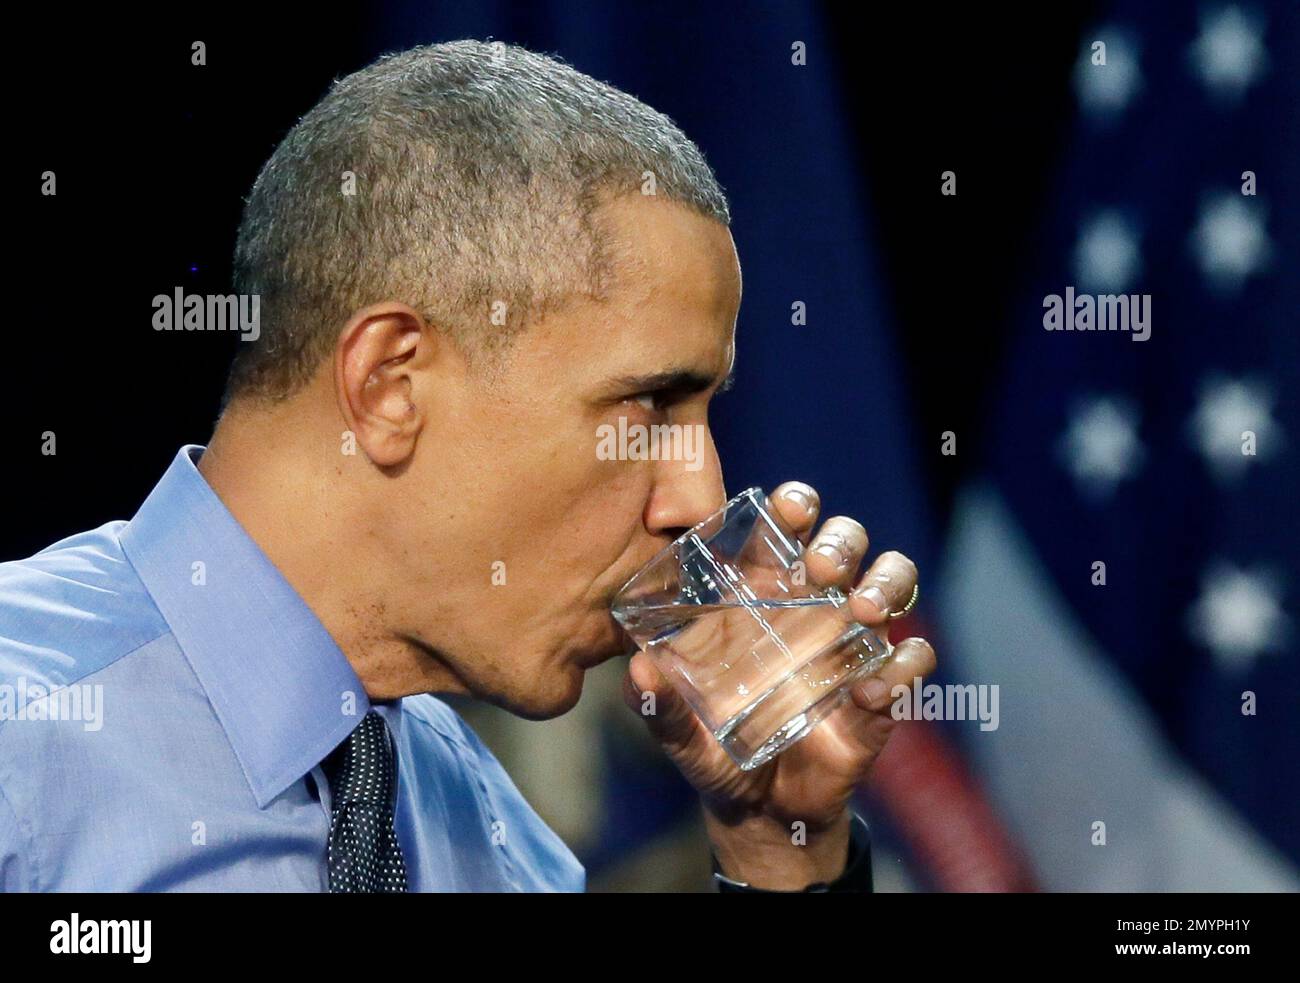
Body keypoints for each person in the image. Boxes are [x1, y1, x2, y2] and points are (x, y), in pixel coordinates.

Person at [0, 40, 935, 892]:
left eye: (703, 413)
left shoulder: (500, 841)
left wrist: (777, 843)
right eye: (646, 406)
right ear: (390, 385)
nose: (698, 499)